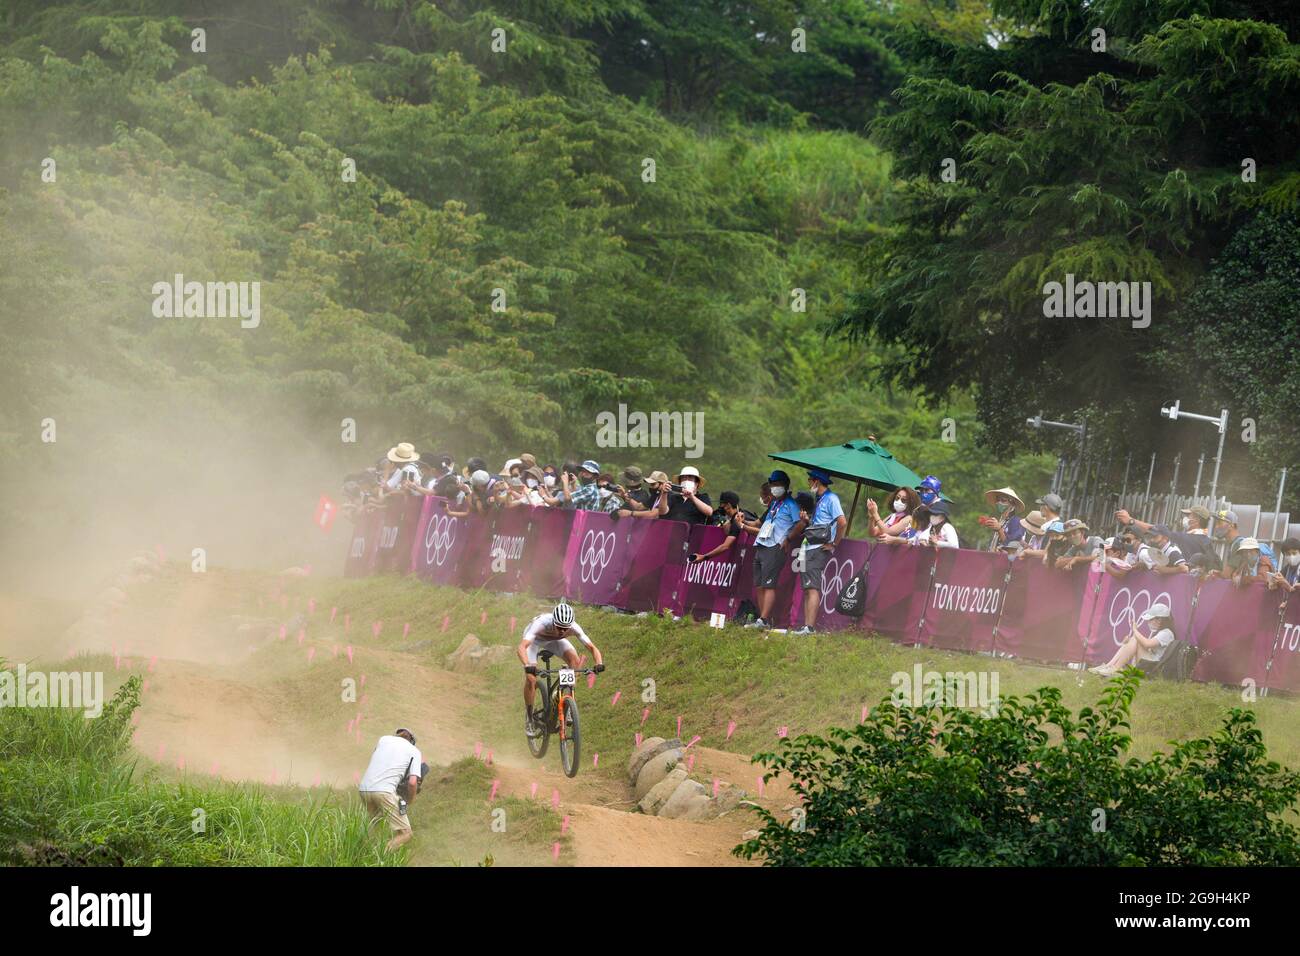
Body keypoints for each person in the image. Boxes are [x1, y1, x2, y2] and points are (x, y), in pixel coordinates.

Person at [519, 602, 605, 738]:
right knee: (531, 679)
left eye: (566, 629)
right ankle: (529, 717)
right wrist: (526, 665)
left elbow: (593, 648)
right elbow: (522, 647)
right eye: (559, 627)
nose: (563, 631)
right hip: (534, 641)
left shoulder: (574, 628)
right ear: (554, 622)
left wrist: (599, 663)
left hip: (554, 641)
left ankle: (568, 701)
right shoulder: (540, 624)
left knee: (575, 662)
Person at [738, 470, 801, 630]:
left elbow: (800, 523)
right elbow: (759, 523)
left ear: (785, 486)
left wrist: (787, 538)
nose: (773, 487)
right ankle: (761, 619)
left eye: (776, 484)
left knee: (769, 584)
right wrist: (743, 521)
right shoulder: (774, 503)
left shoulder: (791, 505)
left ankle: (764, 619)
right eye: (772, 484)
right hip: (761, 545)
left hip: (775, 547)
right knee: (759, 585)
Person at [792, 469, 846, 636]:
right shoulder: (820, 499)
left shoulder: (831, 498)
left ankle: (810, 627)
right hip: (809, 546)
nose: (808, 483)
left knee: (813, 588)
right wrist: (807, 521)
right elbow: (819, 524)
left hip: (818, 548)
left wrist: (834, 544)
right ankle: (807, 626)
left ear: (817, 481)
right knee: (808, 588)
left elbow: (842, 522)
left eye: (810, 480)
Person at [358, 727, 425, 852]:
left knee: (374, 825)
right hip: (384, 791)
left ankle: (361, 852)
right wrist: (410, 800)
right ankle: (378, 856)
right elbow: (412, 782)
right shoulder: (414, 750)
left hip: (364, 789)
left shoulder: (383, 740)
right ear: (412, 741)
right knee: (406, 834)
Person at [1089, 604, 1176, 677]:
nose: (1148, 622)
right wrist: (1126, 644)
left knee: (1135, 639)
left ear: (1160, 620)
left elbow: (1147, 644)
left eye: (1150, 619)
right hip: (1151, 664)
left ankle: (1115, 668)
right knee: (1132, 640)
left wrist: (1134, 630)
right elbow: (1147, 647)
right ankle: (1109, 666)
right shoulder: (1162, 632)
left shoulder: (1167, 633)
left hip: (1154, 667)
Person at [691, 492, 749, 563]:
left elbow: (725, 546)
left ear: (728, 505)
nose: (720, 507)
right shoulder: (739, 516)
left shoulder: (737, 521)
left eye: (722, 504)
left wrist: (704, 557)